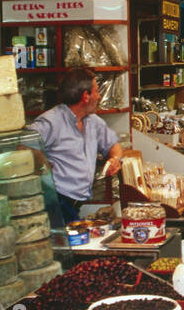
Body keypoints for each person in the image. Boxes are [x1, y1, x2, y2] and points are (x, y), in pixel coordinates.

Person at [31, 68, 124, 223]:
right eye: (96, 91)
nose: (99, 96)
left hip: (75, 204)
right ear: (85, 96)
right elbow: (24, 146)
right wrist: (43, 167)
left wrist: (115, 159)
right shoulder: (51, 122)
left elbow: (113, 144)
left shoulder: (93, 122)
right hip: (55, 203)